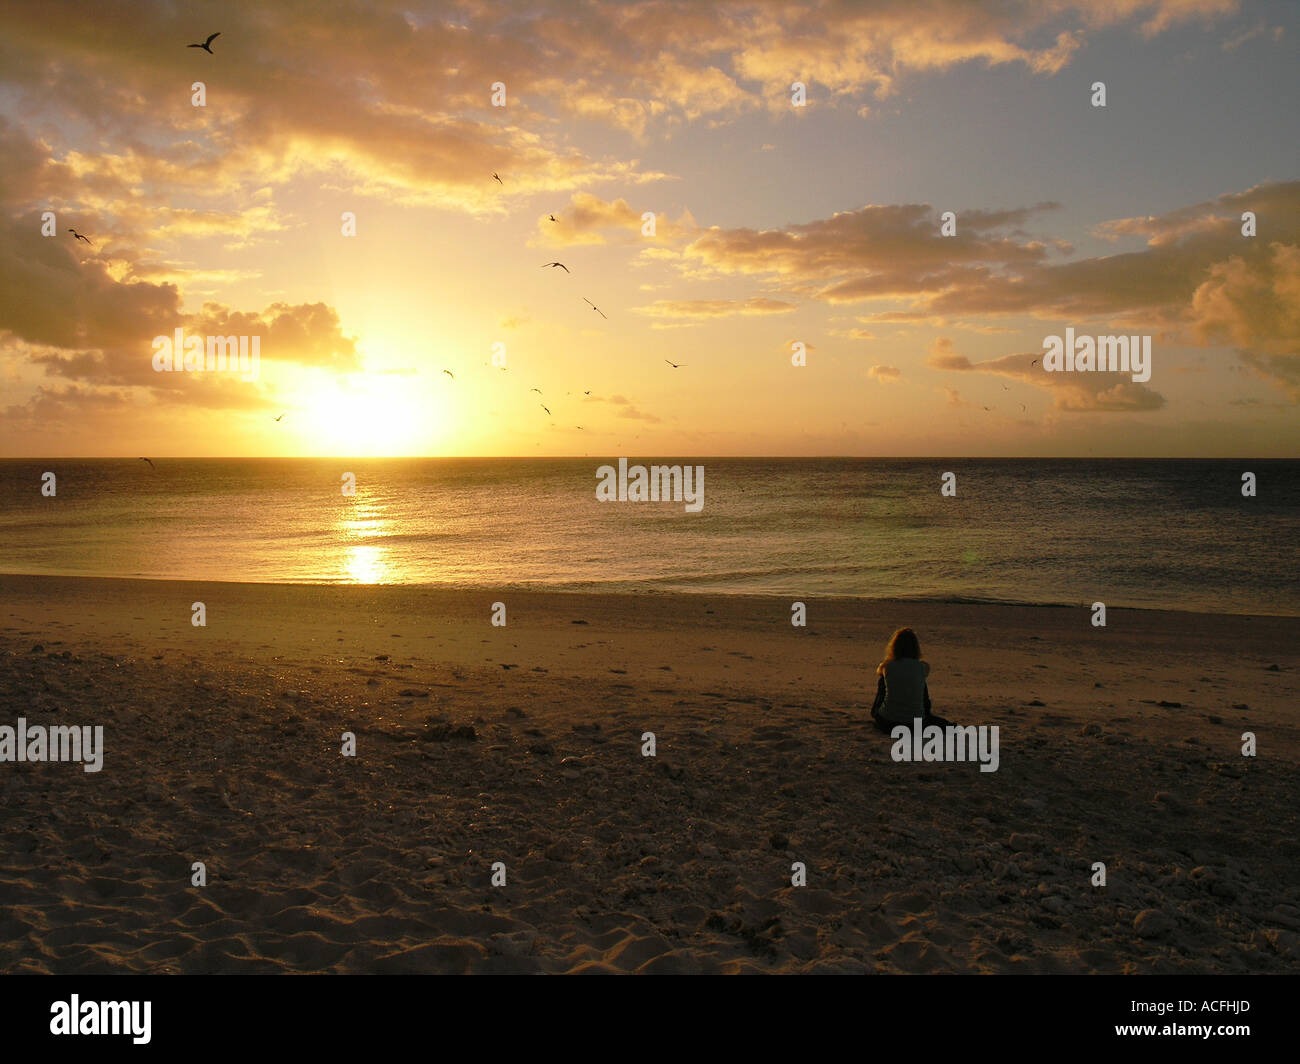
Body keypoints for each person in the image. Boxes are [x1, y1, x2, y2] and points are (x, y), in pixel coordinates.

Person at [869, 626, 951, 732]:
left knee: (884, 681)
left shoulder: (887, 666)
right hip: (915, 724)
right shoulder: (922, 667)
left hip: (888, 722)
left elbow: (881, 694)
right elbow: (925, 700)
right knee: (919, 682)